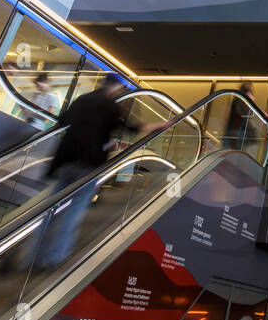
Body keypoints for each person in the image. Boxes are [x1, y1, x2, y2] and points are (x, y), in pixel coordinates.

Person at [28, 74, 169, 269]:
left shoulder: (82, 99)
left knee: (50, 209)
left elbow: (63, 121)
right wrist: (162, 124)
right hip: (88, 164)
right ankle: (55, 257)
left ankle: (31, 256)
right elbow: (133, 129)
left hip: (65, 160)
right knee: (74, 209)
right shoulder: (111, 106)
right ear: (115, 88)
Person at [222, 82, 256, 151]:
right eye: (250, 98)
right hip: (232, 146)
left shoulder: (241, 120)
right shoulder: (237, 117)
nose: (254, 99)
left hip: (234, 143)